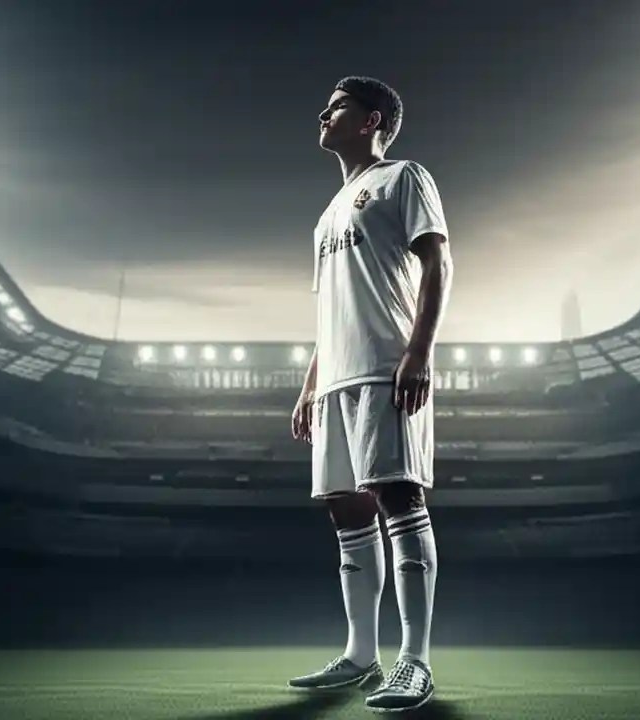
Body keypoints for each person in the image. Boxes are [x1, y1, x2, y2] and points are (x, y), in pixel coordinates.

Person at [287, 76, 453, 713]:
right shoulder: (328, 215)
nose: (323, 114)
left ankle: (416, 661)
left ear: (371, 119)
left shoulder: (405, 177)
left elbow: (438, 263)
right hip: (334, 381)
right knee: (345, 510)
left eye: (337, 107)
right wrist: (309, 387)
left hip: (386, 368)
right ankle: (362, 654)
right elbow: (331, 312)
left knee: (397, 498)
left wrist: (419, 351)